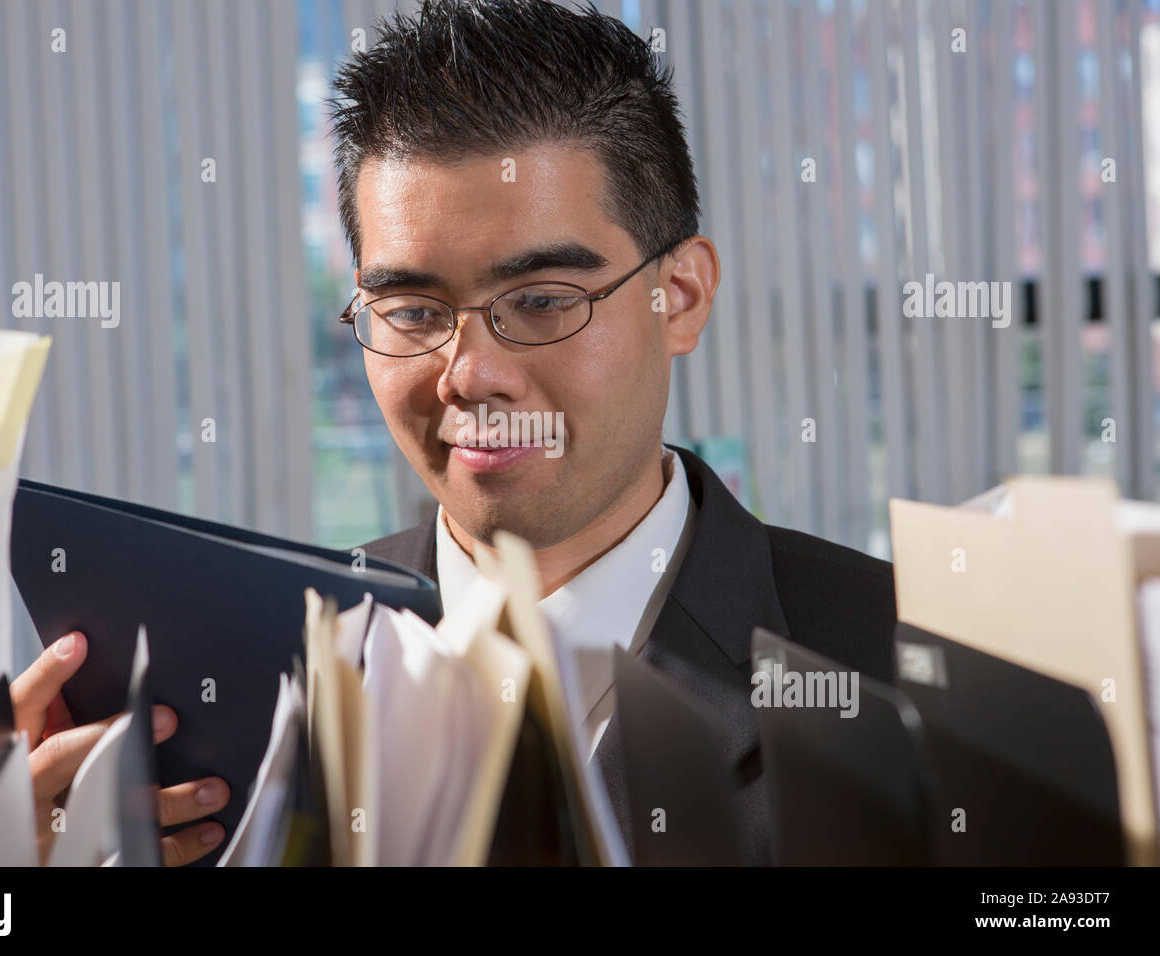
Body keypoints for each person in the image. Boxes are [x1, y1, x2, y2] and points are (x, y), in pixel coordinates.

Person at [338, 0, 897, 863]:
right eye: (412, 310)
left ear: (679, 295)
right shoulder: (276, 659)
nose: (469, 372)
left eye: (542, 301)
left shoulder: (910, 678)